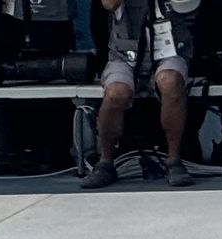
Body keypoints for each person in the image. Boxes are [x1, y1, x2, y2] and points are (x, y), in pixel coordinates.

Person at [82, 0, 198, 190]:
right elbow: (109, 4)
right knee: (115, 94)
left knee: (171, 82)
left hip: (170, 51)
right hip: (125, 54)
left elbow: (189, 5)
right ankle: (105, 162)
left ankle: (175, 160)